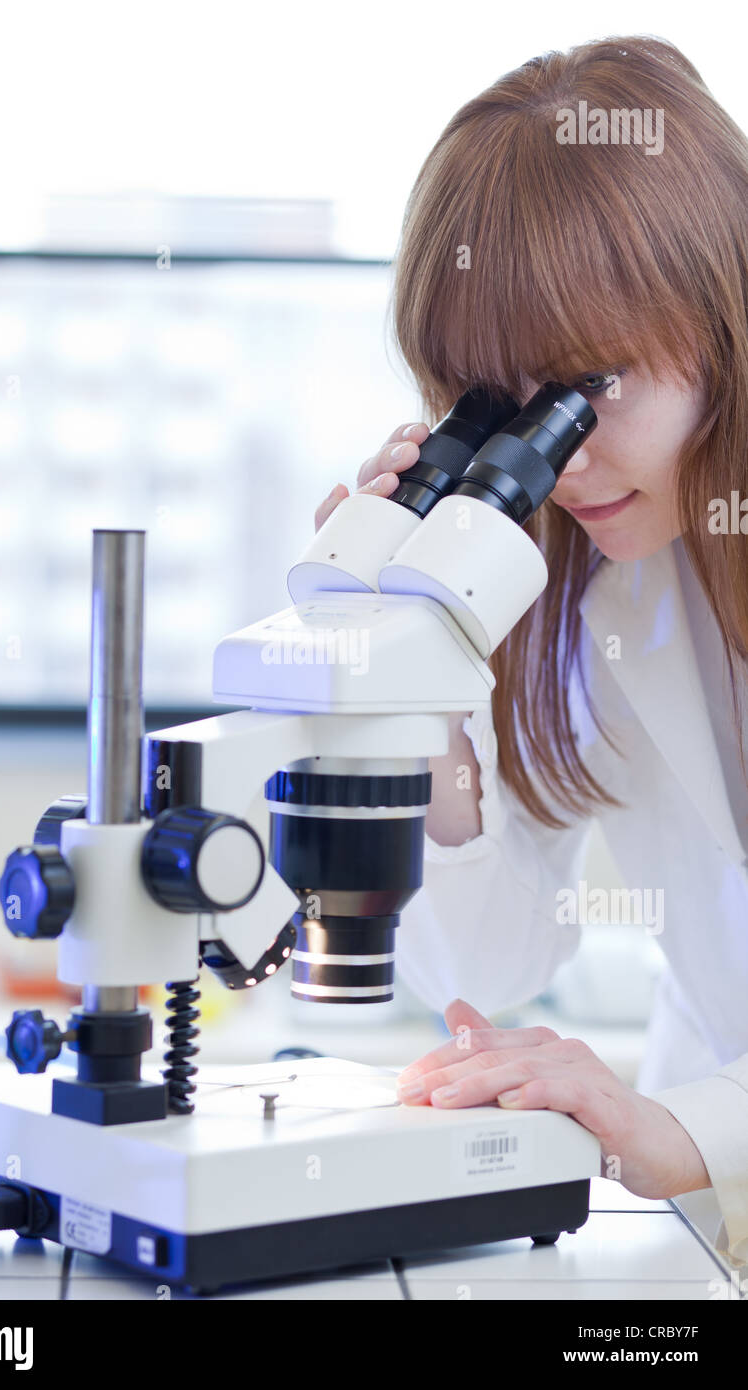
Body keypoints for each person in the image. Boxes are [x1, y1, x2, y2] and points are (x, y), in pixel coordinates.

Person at [314, 34, 748, 1267]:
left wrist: (679, 1128)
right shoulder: (581, 580)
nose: (559, 461)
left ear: (719, 316)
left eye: (585, 387)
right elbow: (485, 961)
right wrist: (417, 673)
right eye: (500, 408)